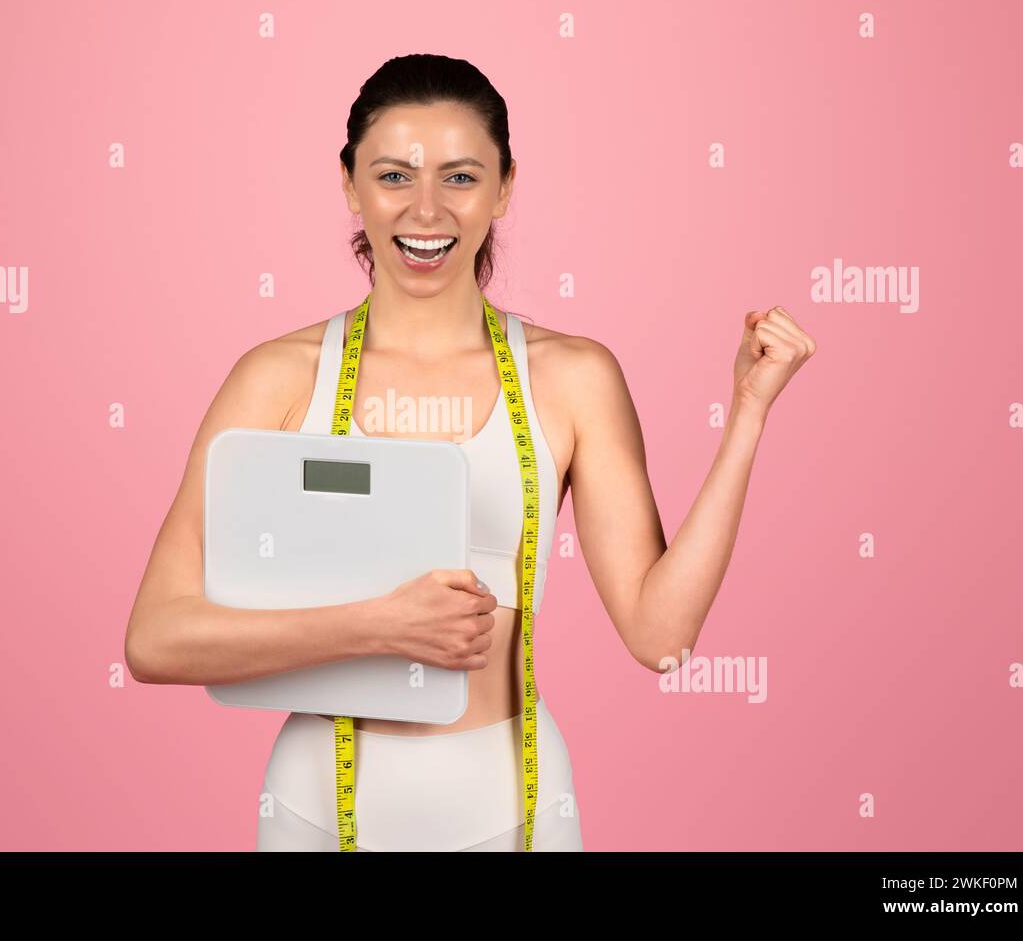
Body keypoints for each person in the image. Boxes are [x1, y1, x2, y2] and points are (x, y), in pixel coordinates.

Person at [123, 53, 816, 851]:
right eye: (392, 176)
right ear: (349, 184)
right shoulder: (277, 379)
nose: (426, 211)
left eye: (459, 177)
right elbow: (155, 637)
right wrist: (377, 626)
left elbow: (661, 640)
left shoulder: (571, 378)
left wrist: (748, 416)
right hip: (315, 803)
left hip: (515, 804)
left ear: (505, 186)